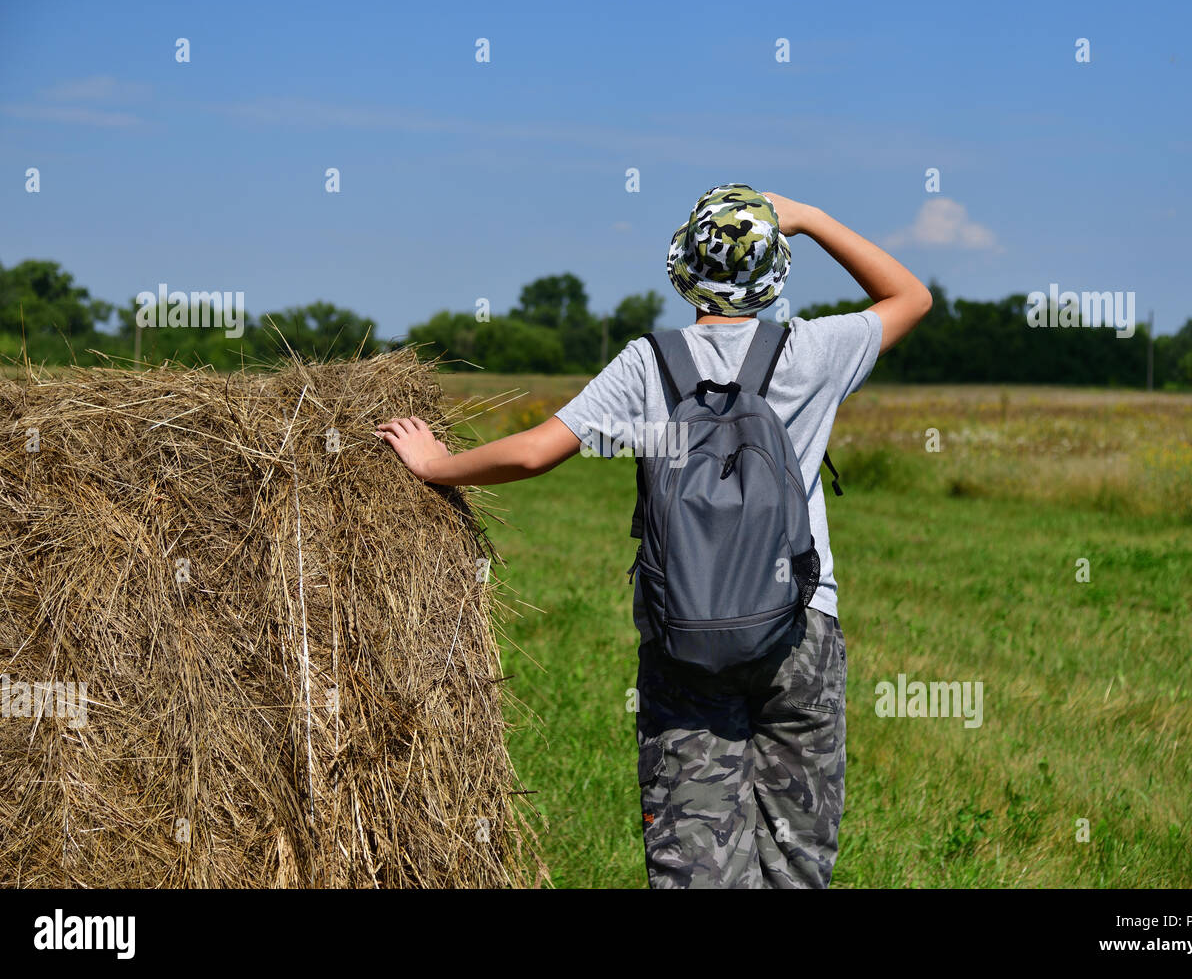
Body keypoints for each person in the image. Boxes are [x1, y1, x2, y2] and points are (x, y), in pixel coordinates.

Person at [377, 183, 932, 888]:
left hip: (684, 635)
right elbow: (912, 298)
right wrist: (812, 218)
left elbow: (532, 453)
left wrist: (434, 465)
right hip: (799, 629)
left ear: (682, 269)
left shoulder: (649, 364)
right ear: (776, 275)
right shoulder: (815, 350)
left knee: (694, 863)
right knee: (796, 862)